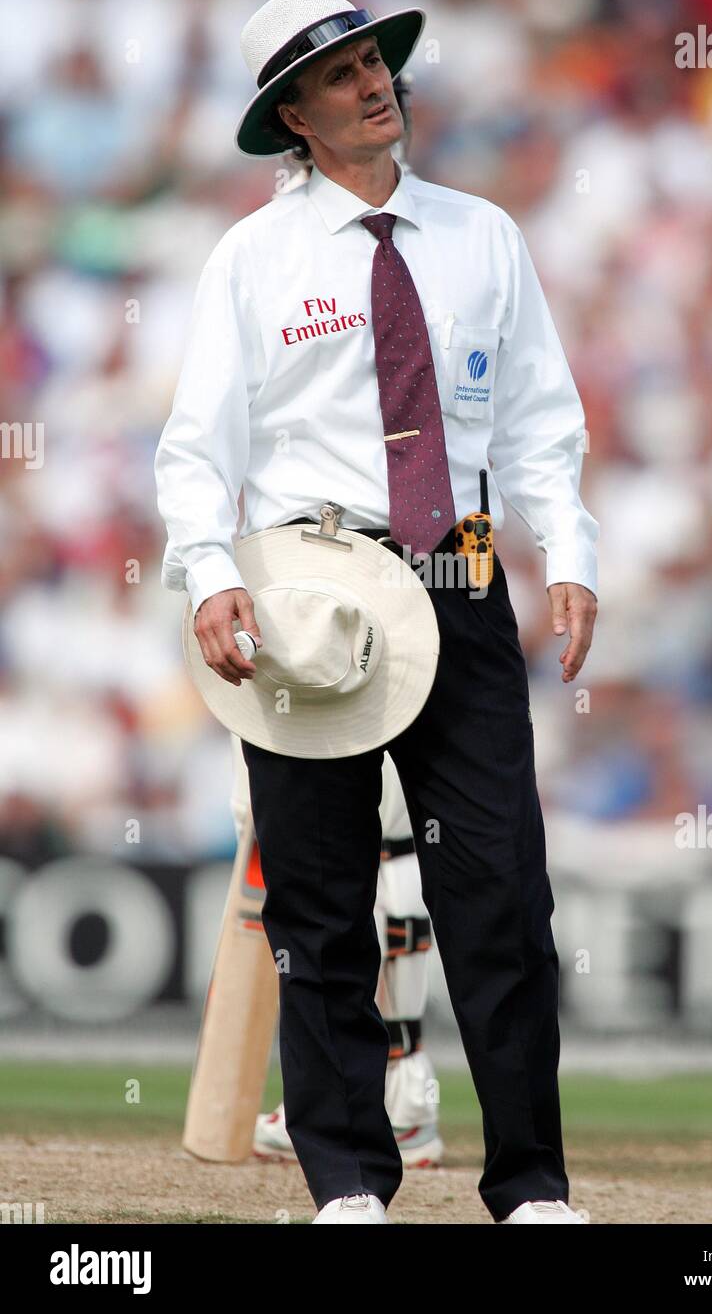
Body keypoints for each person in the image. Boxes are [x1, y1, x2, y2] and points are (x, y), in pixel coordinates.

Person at [154, 0, 599, 1224]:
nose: (371, 83)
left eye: (374, 61)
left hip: (456, 574)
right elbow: (197, 446)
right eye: (339, 73)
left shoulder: (480, 235)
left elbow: (538, 427)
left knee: (499, 890)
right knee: (317, 892)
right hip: (305, 584)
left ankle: (530, 1189)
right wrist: (210, 574)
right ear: (292, 114)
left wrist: (567, 552)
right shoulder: (252, 257)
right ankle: (349, 1179)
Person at [235, 73, 443, 1172]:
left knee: (397, 840)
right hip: (304, 576)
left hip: (404, 570)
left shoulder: (420, 244)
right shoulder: (265, 255)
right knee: (345, 851)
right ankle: (387, 1087)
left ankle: (399, 1084)